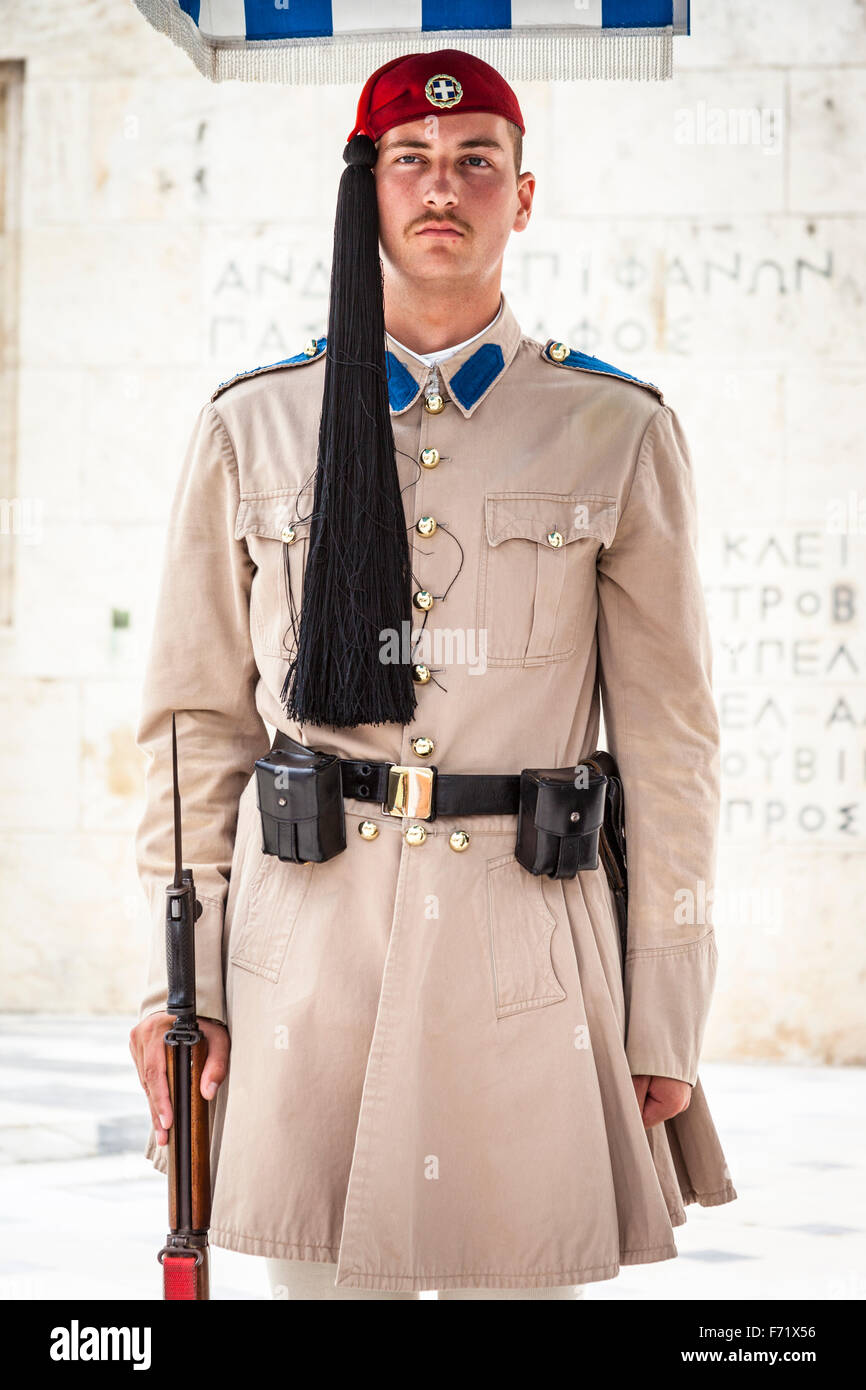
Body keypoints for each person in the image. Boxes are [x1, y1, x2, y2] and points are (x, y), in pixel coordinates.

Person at [129, 47, 736, 1301]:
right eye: (408, 160)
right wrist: (173, 981)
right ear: (365, 190)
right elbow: (193, 723)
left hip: (527, 946)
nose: (441, 187)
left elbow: (672, 746)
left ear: (523, 198)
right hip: (306, 950)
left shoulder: (612, 427)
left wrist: (661, 1010)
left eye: (476, 163)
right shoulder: (255, 424)